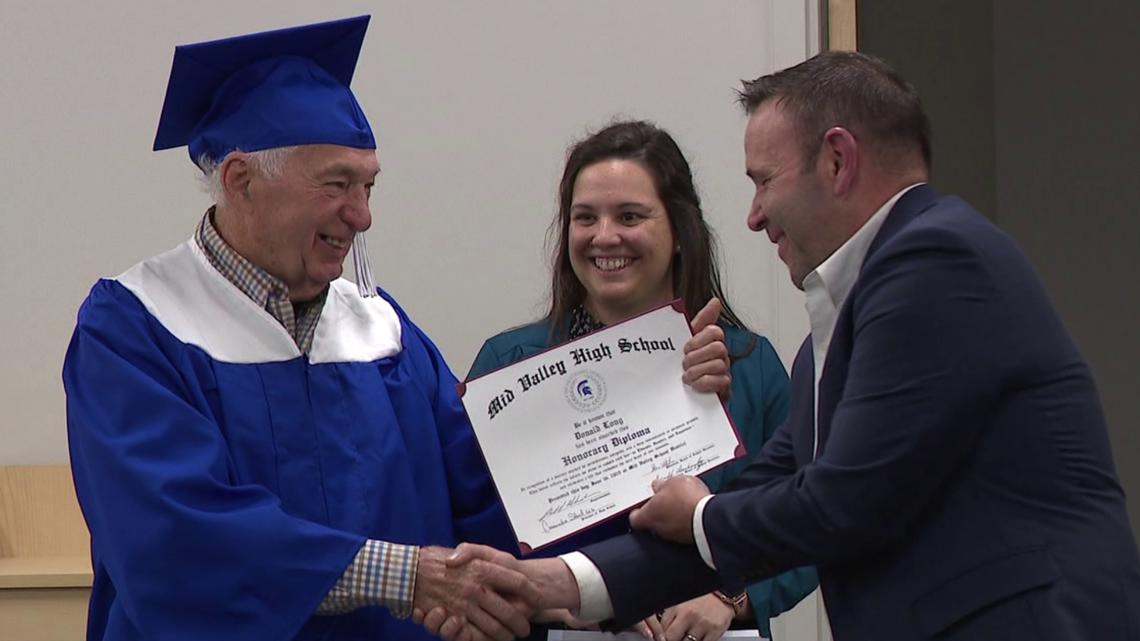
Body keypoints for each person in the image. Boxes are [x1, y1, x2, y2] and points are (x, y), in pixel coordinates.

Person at [436, 51, 1140, 641]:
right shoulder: (830, 335)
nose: (751, 215)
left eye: (762, 180)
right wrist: (558, 582)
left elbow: (844, 500)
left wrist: (704, 514)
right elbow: (768, 490)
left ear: (837, 160)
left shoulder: (936, 261)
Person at [61, 16, 541, 641]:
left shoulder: (384, 334)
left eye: (368, 186)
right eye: (337, 184)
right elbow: (176, 537)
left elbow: (495, 496)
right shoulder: (135, 330)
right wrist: (405, 577)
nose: (362, 216)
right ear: (241, 181)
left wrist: (650, 417)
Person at [467, 120, 817, 640]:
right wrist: (561, 596)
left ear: (679, 231)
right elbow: (471, 527)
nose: (604, 236)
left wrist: (733, 597)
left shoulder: (747, 364)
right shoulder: (510, 364)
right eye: (585, 218)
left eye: (630, 216)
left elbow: (811, 523)